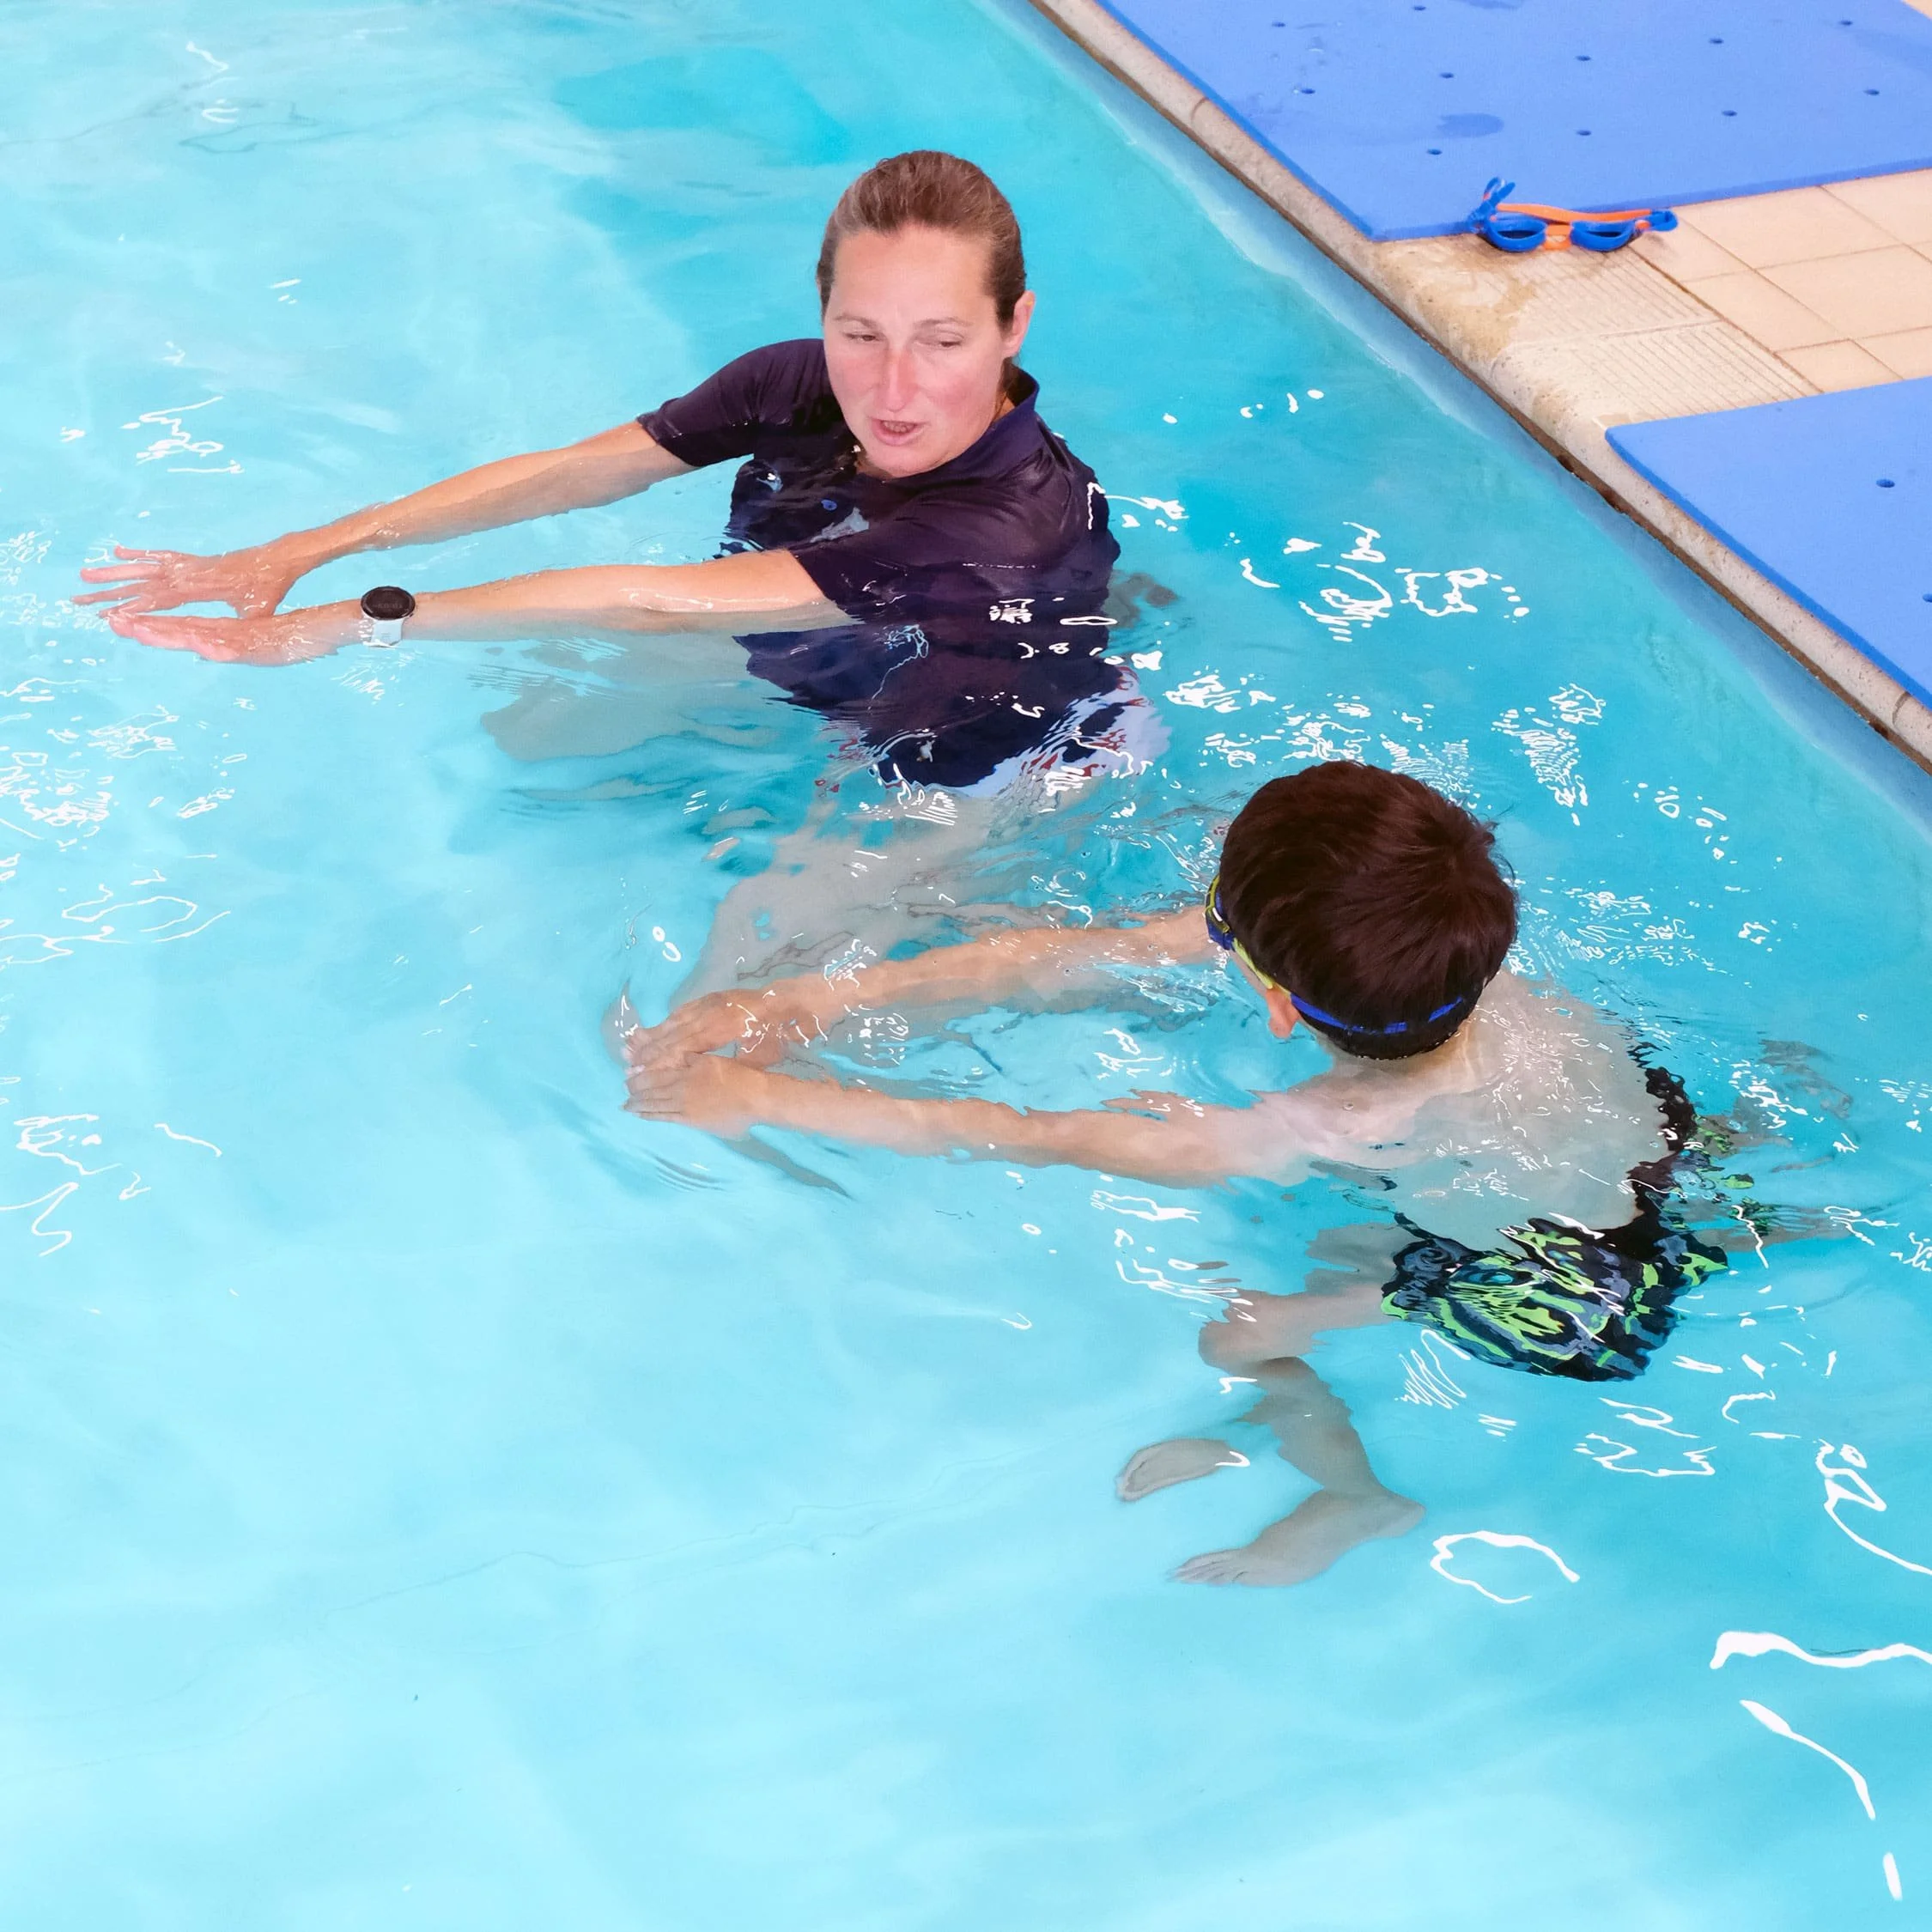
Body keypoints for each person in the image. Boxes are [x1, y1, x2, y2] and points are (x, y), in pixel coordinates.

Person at [625, 761, 1754, 1584]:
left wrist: (762, 1092)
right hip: (1658, 1140)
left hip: (1556, 1299)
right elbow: (1083, 950)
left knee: (1244, 1330)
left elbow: (1011, 1130)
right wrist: (820, 997)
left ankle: (1355, 1495)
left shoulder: (1297, 1125)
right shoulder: (1457, 956)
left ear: (1269, 1001)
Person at [79, 148, 1159, 811]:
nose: (893, 390)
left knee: (726, 1022)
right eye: (859, 331)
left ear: (1015, 324)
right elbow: (575, 474)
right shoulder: (792, 383)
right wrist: (302, 548)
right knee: (527, 742)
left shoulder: (1000, 526)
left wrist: (339, 623)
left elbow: (647, 600)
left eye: (942, 341)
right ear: (822, 308)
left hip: (978, 742)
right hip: (805, 653)